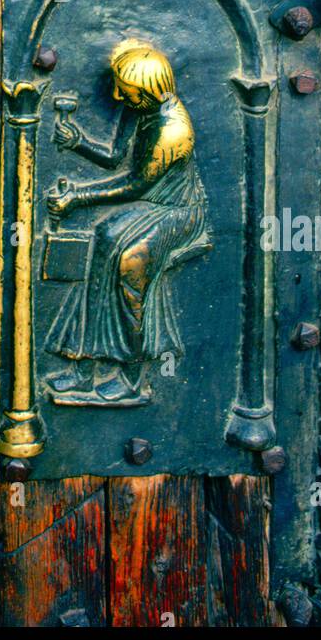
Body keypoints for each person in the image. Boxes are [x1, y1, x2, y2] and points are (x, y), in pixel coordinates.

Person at [45, 40, 211, 406]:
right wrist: (79, 143)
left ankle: (132, 374)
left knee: (130, 263)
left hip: (176, 211)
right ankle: (82, 362)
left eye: (127, 91)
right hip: (148, 204)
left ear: (151, 91)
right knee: (101, 240)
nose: (119, 96)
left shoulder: (172, 130)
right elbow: (116, 159)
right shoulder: (140, 108)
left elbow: (136, 184)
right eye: (119, 87)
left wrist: (78, 197)